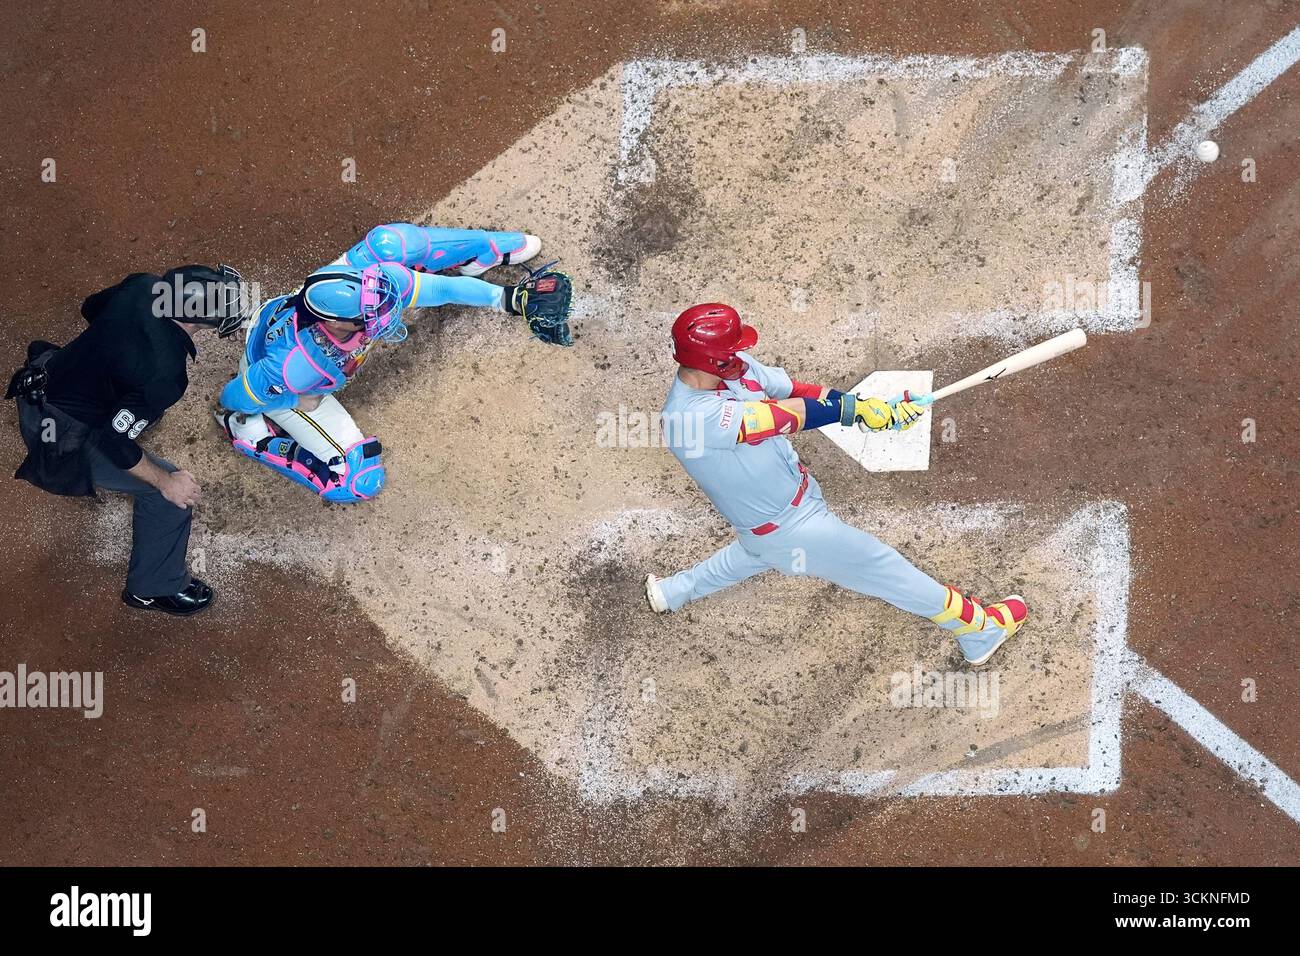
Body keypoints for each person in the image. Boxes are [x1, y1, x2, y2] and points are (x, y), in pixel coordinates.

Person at [643, 303, 1027, 666]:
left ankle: (672, 592)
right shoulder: (689, 418)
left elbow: (796, 392)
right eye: (734, 348)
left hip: (782, 514)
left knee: (757, 552)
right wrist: (857, 412)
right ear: (714, 358)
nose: (742, 353)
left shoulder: (733, 368)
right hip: (792, 529)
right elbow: (788, 414)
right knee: (883, 566)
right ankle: (979, 630)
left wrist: (872, 407)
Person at [214, 222, 572, 502]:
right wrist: (294, 401)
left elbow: (440, 290)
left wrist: (506, 298)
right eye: (374, 314)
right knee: (359, 481)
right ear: (337, 324)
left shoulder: (373, 287)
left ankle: (481, 251)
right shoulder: (295, 367)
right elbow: (234, 396)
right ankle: (250, 435)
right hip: (285, 386)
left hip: (302, 335)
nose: (389, 310)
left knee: (390, 243)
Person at [7, 265, 250, 616]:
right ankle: (154, 588)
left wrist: (120, 348)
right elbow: (115, 441)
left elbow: (91, 308)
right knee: (168, 498)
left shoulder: (144, 286)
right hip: (55, 434)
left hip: (40, 381)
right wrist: (167, 481)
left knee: (135, 398)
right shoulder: (166, 374)